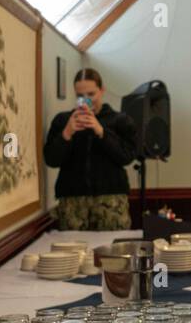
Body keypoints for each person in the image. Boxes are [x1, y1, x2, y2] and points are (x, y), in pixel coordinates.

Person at [42, 67, 137, 230]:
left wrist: (101, 132)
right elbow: (51, 159)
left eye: (91, 94)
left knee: (113, 250)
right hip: (72, 201)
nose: (86, 100)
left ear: (102, 91)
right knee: (73, 253)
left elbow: (127, 156)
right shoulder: (62, 120)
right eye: (80, 96)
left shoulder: (120, 120)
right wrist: (67, 133)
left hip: (111, 200)